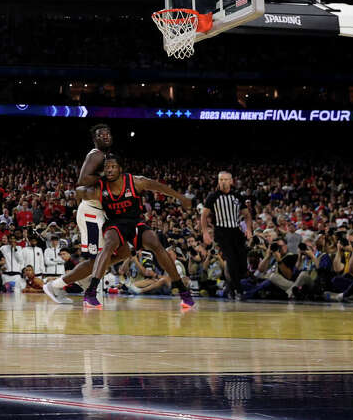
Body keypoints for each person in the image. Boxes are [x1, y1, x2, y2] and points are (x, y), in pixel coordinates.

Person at [77, 153, 196, 310]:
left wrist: (180, 197)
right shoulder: (99, 188)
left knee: (155, 243)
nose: (110, 170)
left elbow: (160, 187)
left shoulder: (136, 181)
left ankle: (183, 291)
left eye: (113, 167)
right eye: (107, 168)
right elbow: (79, 190)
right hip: (114, 223)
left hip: (134, 222)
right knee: (110, 244)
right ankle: (90, 292)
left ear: (120, 169)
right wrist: (80, 208)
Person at [42, 125, 113, 304]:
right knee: (94, 259)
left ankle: (85, 284)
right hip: (91, 212)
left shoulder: (105, 157)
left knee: (108, 254)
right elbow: (82, 180)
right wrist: (108, 177)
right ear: (94, 139)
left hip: (99, 212)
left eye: (107, 133)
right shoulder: (96, 154)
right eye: (100, 134)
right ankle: (56, 286)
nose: (105, 136)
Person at [201, 171, 251, 299]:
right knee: (231, 260)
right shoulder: (213, 196)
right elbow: (204, 215)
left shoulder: (237, 196)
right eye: (221, 179)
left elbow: (247, 215)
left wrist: (249, 230)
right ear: (218, 181)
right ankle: (238, 290)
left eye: (226, 179)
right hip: (222, 232)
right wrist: (205, 232)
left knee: (242, 262)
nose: (223, 182)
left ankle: (230, 286)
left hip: (236, 230)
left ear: (231, 181)